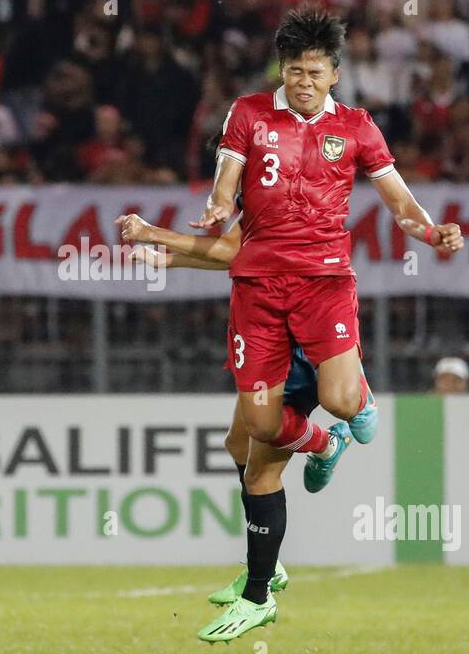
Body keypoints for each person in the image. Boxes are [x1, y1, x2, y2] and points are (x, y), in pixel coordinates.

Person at [191, 4, 464, 642]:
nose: (303, 81)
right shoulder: (250, 113)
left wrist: (430, 230)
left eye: (315, 70)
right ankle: (267, 576)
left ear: (335, 74)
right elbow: (226, 183)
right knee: (256, 430)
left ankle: (344, 414)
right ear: (281, 70)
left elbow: (398, 200)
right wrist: (214, 208)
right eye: (293, 70)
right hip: (258, 287)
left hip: (324, 284)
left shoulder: (358, 127)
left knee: (341, 403)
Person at [117, 212, 354, 610]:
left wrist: (153, 235)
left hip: (292, 340)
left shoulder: (276, 188)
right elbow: (237, 256)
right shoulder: (263, 191)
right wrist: (169, 260)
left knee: (261, 470)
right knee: (237, 443)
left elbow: (232, 251)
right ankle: (268, 566)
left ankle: (259, 589)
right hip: (265, 332)